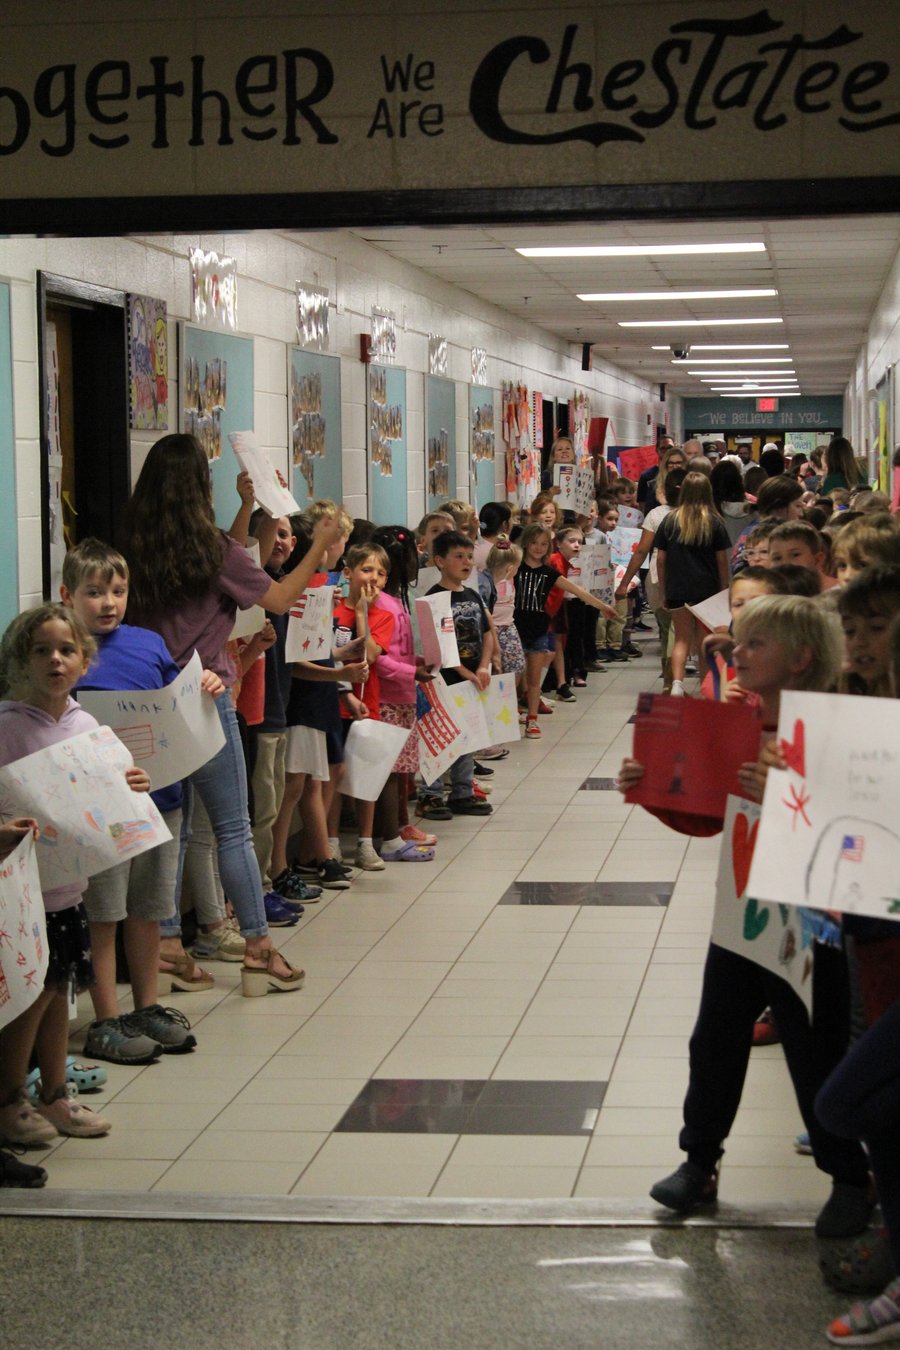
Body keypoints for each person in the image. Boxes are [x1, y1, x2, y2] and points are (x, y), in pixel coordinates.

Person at [619, 596, 874, 1240]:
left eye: (755, 643)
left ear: (801, 658)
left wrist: (794, 799)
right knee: (713, 1042)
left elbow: (864, 839)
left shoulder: (839, 735)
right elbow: (706, 816)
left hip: (815, 924)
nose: (736, 651)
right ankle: (699, 1161)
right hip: (742, 915)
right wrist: (649, 789)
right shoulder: (740, 726)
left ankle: (848, 1175)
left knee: (815, 1053)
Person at [124, 432, 345, 997]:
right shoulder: (211, 551)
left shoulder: (137, 544)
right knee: (232, 827)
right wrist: (317, 546)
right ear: (200, 485)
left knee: (173, 825)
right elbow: (274, 595)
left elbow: (230, 557)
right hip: (205, 694)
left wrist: (250, 508)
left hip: (150, 699)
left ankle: (169, 941)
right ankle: (257, 948)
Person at [0, 605, 152, 1145]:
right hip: (22, 894)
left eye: (66, 650)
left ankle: (56, 1092)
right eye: (42, 650)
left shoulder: (87, 726)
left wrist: (131, 782)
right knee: (29, 996)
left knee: (60, 988)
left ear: (84, 662)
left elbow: (107, 795)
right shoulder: (8, 727)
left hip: (69, 889)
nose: (55, 660)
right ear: (23, 660)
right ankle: (10, 1099)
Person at [61, 538, 198, 1062]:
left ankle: (145, 1008)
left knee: (148, 912)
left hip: (159, 800)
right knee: (104, 915)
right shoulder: (68, 655)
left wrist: (204, 684)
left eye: (117, 591)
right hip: (102, 812)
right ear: (68, 595)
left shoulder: (148, 643)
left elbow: (176, 708)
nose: (108, 603)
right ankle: (106, 1020)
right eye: (94, 593)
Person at [816, 595, 900, 1345]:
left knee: (849, 1102)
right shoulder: (850, 715)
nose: (860, 641)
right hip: (875, 935)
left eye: (877, 626)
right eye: (852, 626)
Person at [272, 514, 366, 891]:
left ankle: (313, 856)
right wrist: (338, 675)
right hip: (301, 702)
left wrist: (339, 654)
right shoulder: (298, 591)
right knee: (292, 788)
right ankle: (280, 865)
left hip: (316, 699)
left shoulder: (316, 590)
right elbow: (294, 662)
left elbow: (310, 648)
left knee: (309, 784)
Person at [326, 542, 396, 868]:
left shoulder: (383, 616)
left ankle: (366, 843)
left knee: (365, 773)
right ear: (348, 573)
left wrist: (361, 614)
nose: (374, 579)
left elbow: (368, 655)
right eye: (367, 570)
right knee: (335, 777)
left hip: (367, 702)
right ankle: (332, 842)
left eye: (381, 573)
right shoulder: (330, 610)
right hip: (333, 702)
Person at [370, 524, 437, 861]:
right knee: (389, 772)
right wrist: (413, 670)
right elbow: (379, 659)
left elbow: (397, 650)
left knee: (400, 769)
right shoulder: (382, 602)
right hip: (387, 696)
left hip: (401, 694)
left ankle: (398, 828)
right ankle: (390, 838)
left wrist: (417, 661)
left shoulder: (397, 599)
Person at [513, 522, 616, 739]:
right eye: (534, 543)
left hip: (539, 629)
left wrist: (603, 605)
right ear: (525, 544)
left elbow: (577, 590)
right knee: (513, 677)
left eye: (543, 544)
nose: (538, 548)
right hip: (514, 629)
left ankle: (532, 720)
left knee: (534, 680)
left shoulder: (550, 573)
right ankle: (511, 714)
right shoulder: (514, 569)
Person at [425, 529, 496, 813]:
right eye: (458, 557)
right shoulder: (434, 598)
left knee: (468, 735)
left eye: (469, 557)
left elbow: (488, 633)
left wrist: (483, 666)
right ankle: (431, 793)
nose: (466, 562)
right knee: (441, 736)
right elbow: (438, 644)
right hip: (445, 679)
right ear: (440, 561)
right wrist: (466, 672)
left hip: (472, 677)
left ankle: (462, 791)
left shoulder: (472, 595)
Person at [654, 472, 731, 696]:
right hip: (707, 589)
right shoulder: (715, 522)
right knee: (706, 641)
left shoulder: (670, 521)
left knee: (681, 639)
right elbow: (721, 560)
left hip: (678, 587)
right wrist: (724, 589)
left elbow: (660, 559)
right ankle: (707, 685)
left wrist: (663, 591)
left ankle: (676, 685)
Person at [616, 467, 687, 693]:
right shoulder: (698, 514)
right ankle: (674, 683)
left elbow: (641, 552)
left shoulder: (656, 516)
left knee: (667, 630)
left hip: (658, 578)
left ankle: (669, 684)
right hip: (689, 580)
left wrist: (625, 582)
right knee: (680, 633)